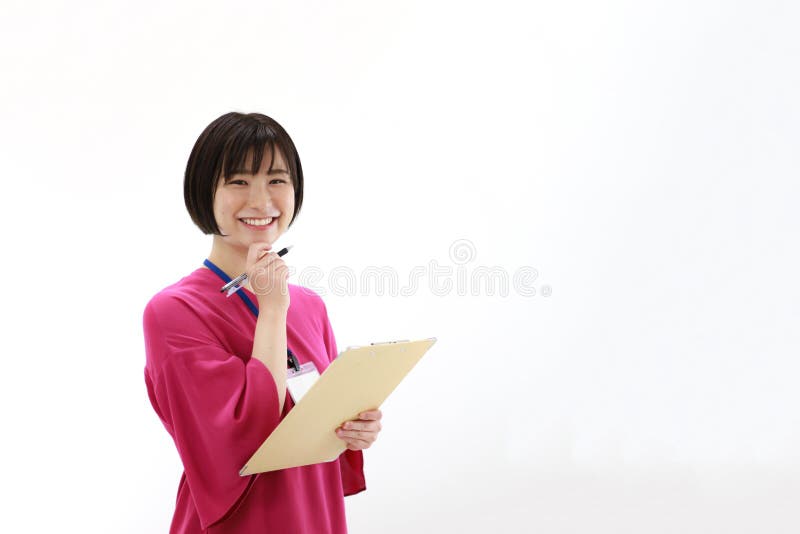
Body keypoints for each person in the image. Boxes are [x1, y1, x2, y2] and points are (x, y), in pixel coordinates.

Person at [143, 112, 382, 533]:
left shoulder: (308, 305)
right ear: (204, 191)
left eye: (276, 180)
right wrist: (271, 311)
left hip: (312, 516)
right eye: (238, 182)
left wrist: (352, 429)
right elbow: (245, 435)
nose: (261, 201)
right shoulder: (174, 312)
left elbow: (311, 428)